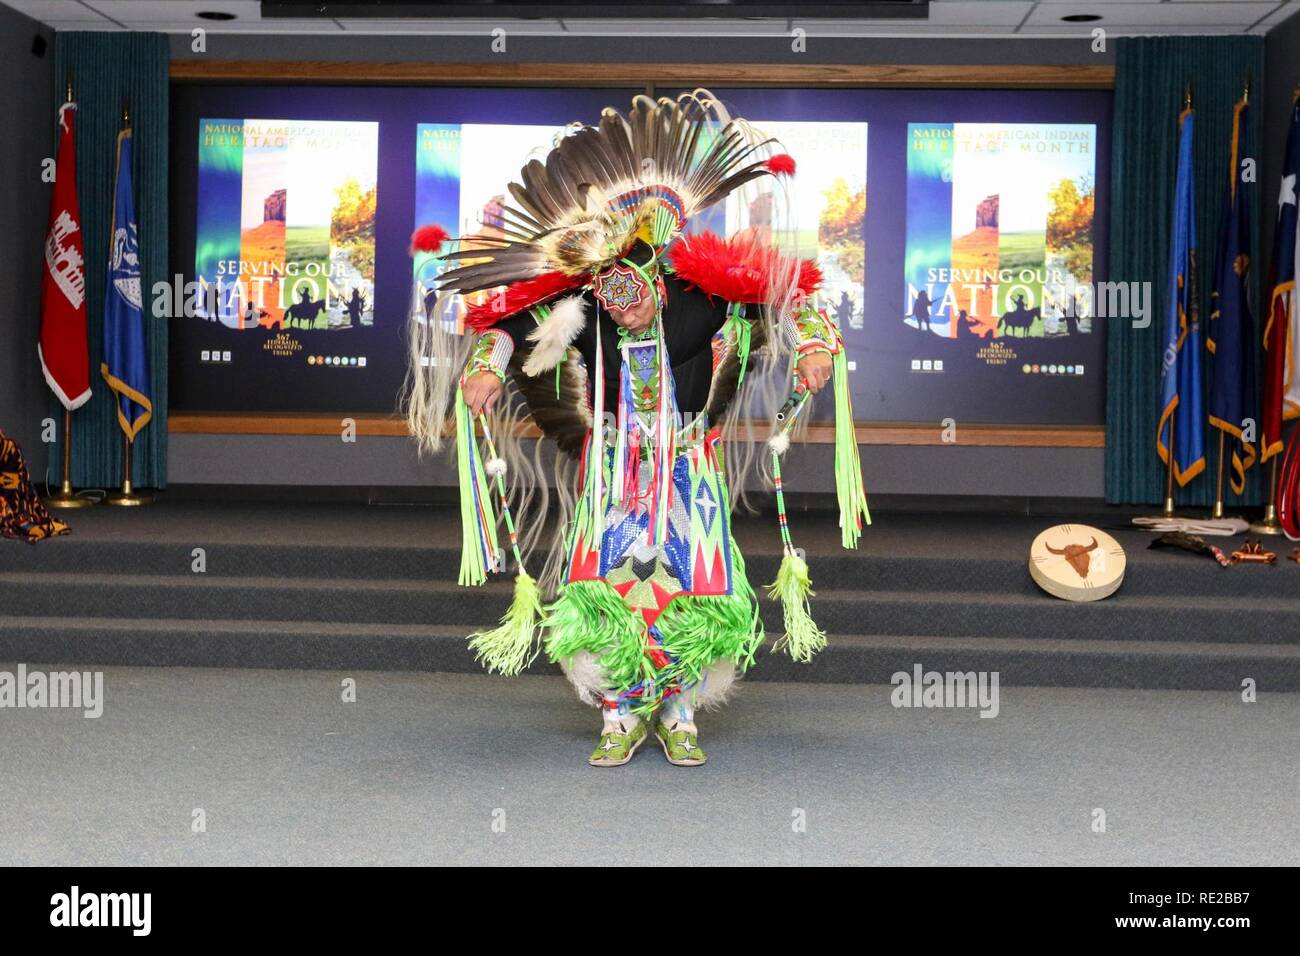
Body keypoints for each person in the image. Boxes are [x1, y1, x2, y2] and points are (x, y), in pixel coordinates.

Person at [404, 91, 869, 767]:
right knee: (604, 584)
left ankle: (679, 709)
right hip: (612, 466)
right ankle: (620, 714)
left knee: (693, 584)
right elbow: (507, 324)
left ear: (663, 258)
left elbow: (789, 294)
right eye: (611, 289)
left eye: (636, 287)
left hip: (687, 464)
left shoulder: (705, 292)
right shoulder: (581, 298)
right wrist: (487, 367)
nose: (623, 307)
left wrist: (813, 346)